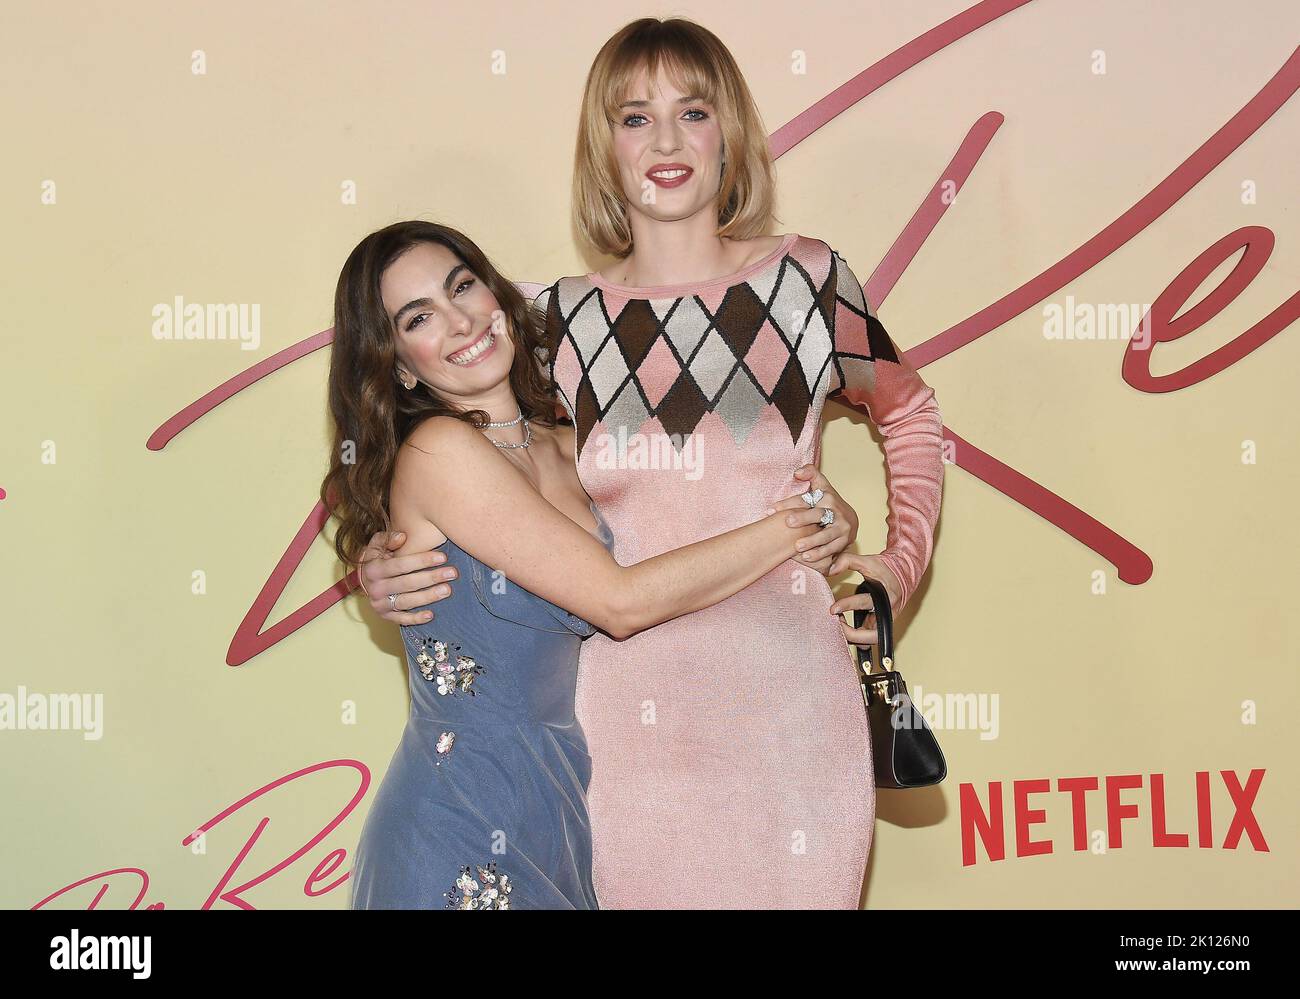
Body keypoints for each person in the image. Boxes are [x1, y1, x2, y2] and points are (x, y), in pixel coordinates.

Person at [361, 17, 945, 909]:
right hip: (631, 738)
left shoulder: (810, 284)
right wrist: (381, 556)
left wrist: (892, 570)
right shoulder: (556, 324)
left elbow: (911, 414)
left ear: (730, 136)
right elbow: (447, 451)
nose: (666, 141)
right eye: (634, 118)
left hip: (795, 714)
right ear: (605, 148)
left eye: (693, 111)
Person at [324, 220, 859, 908]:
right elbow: (621, 601)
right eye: (420, 317)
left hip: (561, 812)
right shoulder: (438, 452)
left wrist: (818, 502)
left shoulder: (579, 444)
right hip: (456, 819)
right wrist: (792, 526)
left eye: (463, 286)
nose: (460, 322)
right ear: (398, 362)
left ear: (496, 292)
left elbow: (717, 499)